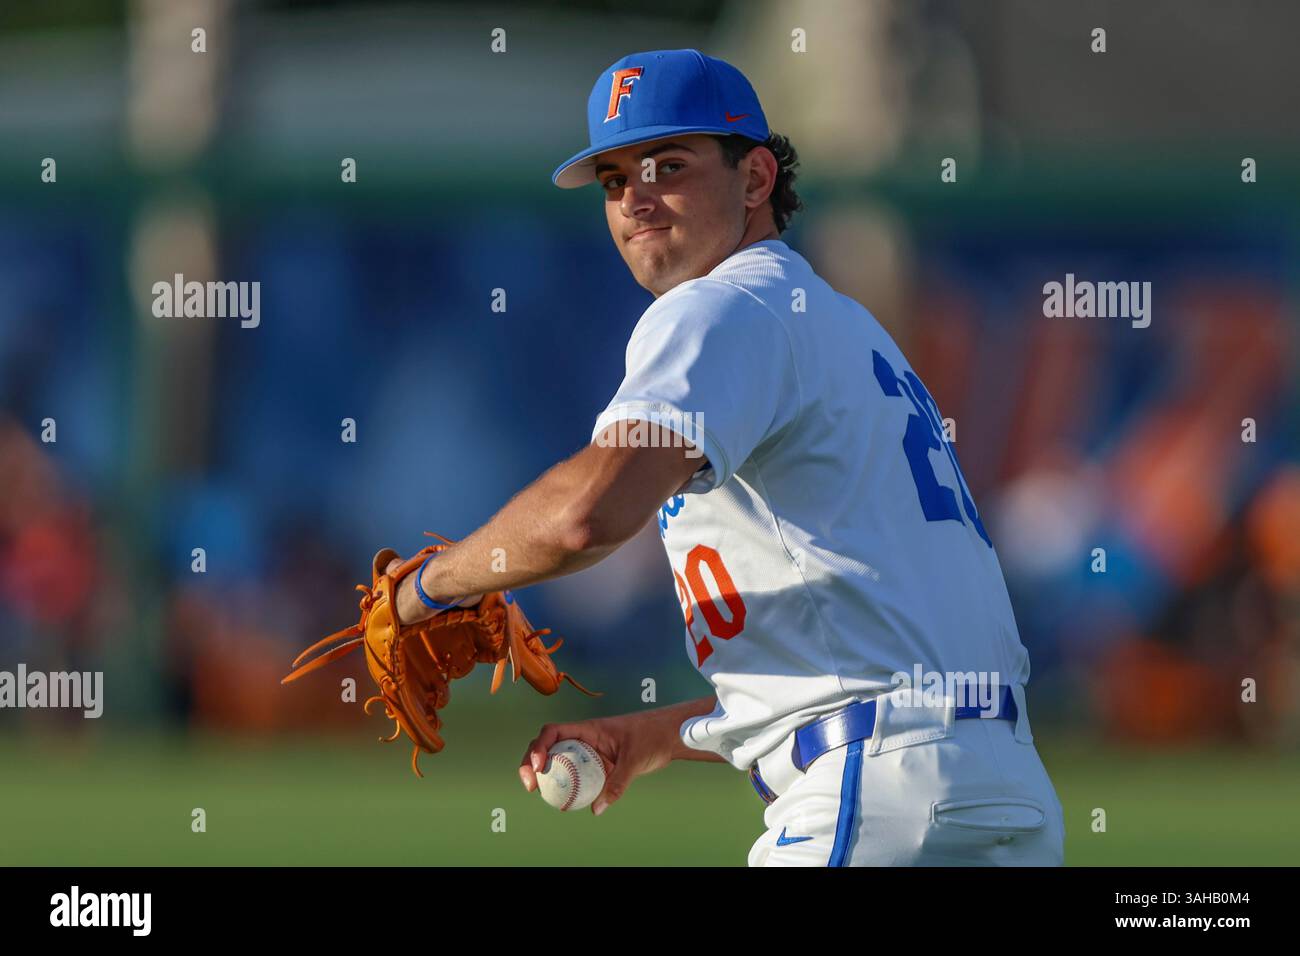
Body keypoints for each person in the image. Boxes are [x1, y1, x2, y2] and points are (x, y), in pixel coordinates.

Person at [387, 49, 1064, 866]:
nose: (634, 198)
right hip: (1006, 795)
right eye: (613, 180)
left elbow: (584, 516)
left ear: (754, 179)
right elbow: (867, 664)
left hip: (875, 799)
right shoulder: (845, 328)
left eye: (666, 165)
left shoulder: (724, 305)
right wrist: (652, 738)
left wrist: (429, 588)